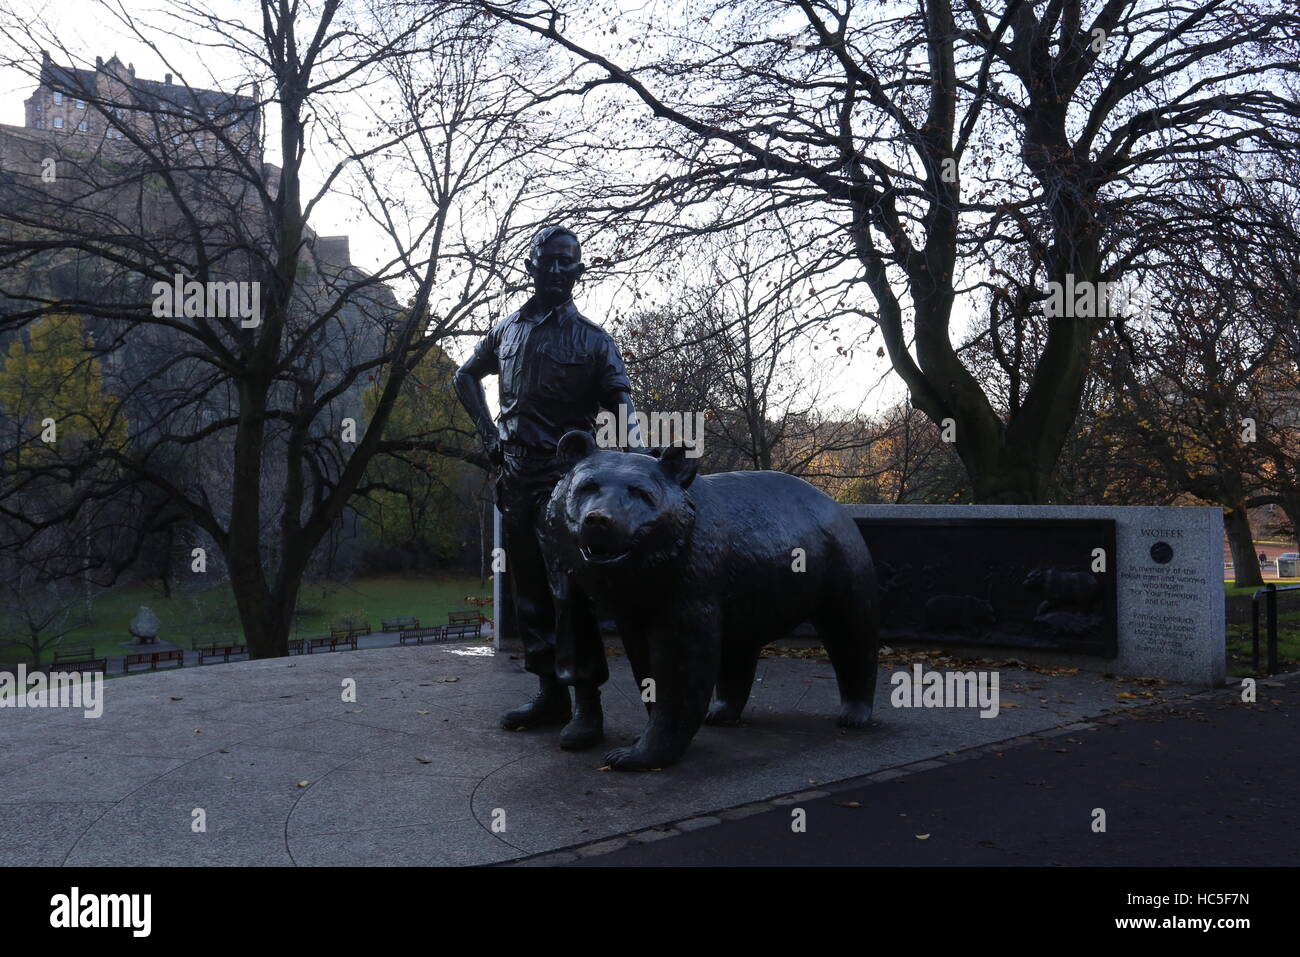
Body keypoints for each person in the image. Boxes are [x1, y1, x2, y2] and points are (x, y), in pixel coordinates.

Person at [454, 224, 644, 750]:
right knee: (530, 591)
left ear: (579, 270)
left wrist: (634, 458)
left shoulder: (593, 340)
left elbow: (622, 404)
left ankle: (587, 704)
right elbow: (464, 377)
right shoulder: (507, 330)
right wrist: (488, 434)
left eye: (569, 263)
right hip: (515, 475)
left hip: (567, 485)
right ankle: (548, 693)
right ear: (531, 266)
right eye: (550, 261)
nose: (560, 271)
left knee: (569, 593)